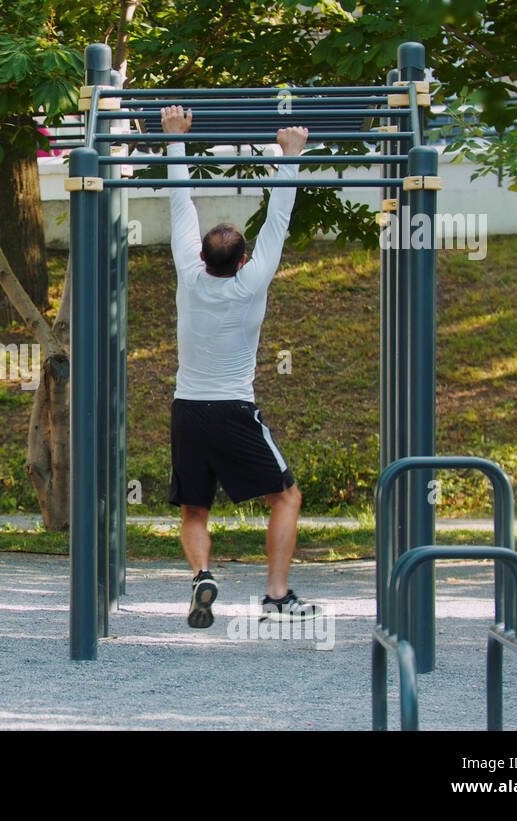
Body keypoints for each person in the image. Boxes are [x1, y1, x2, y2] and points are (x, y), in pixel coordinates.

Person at [159, 105, 322, 629]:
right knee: (287, 495)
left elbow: (180, 201)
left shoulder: (188, 274)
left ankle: (202, 574)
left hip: (187, 410)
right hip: (232, 410)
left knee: (193, 511)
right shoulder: (253, 282)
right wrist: (289, 154)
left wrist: (174, 137)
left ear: (201, 257)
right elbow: (281, 216)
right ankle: (275, 596)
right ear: (244, 260)